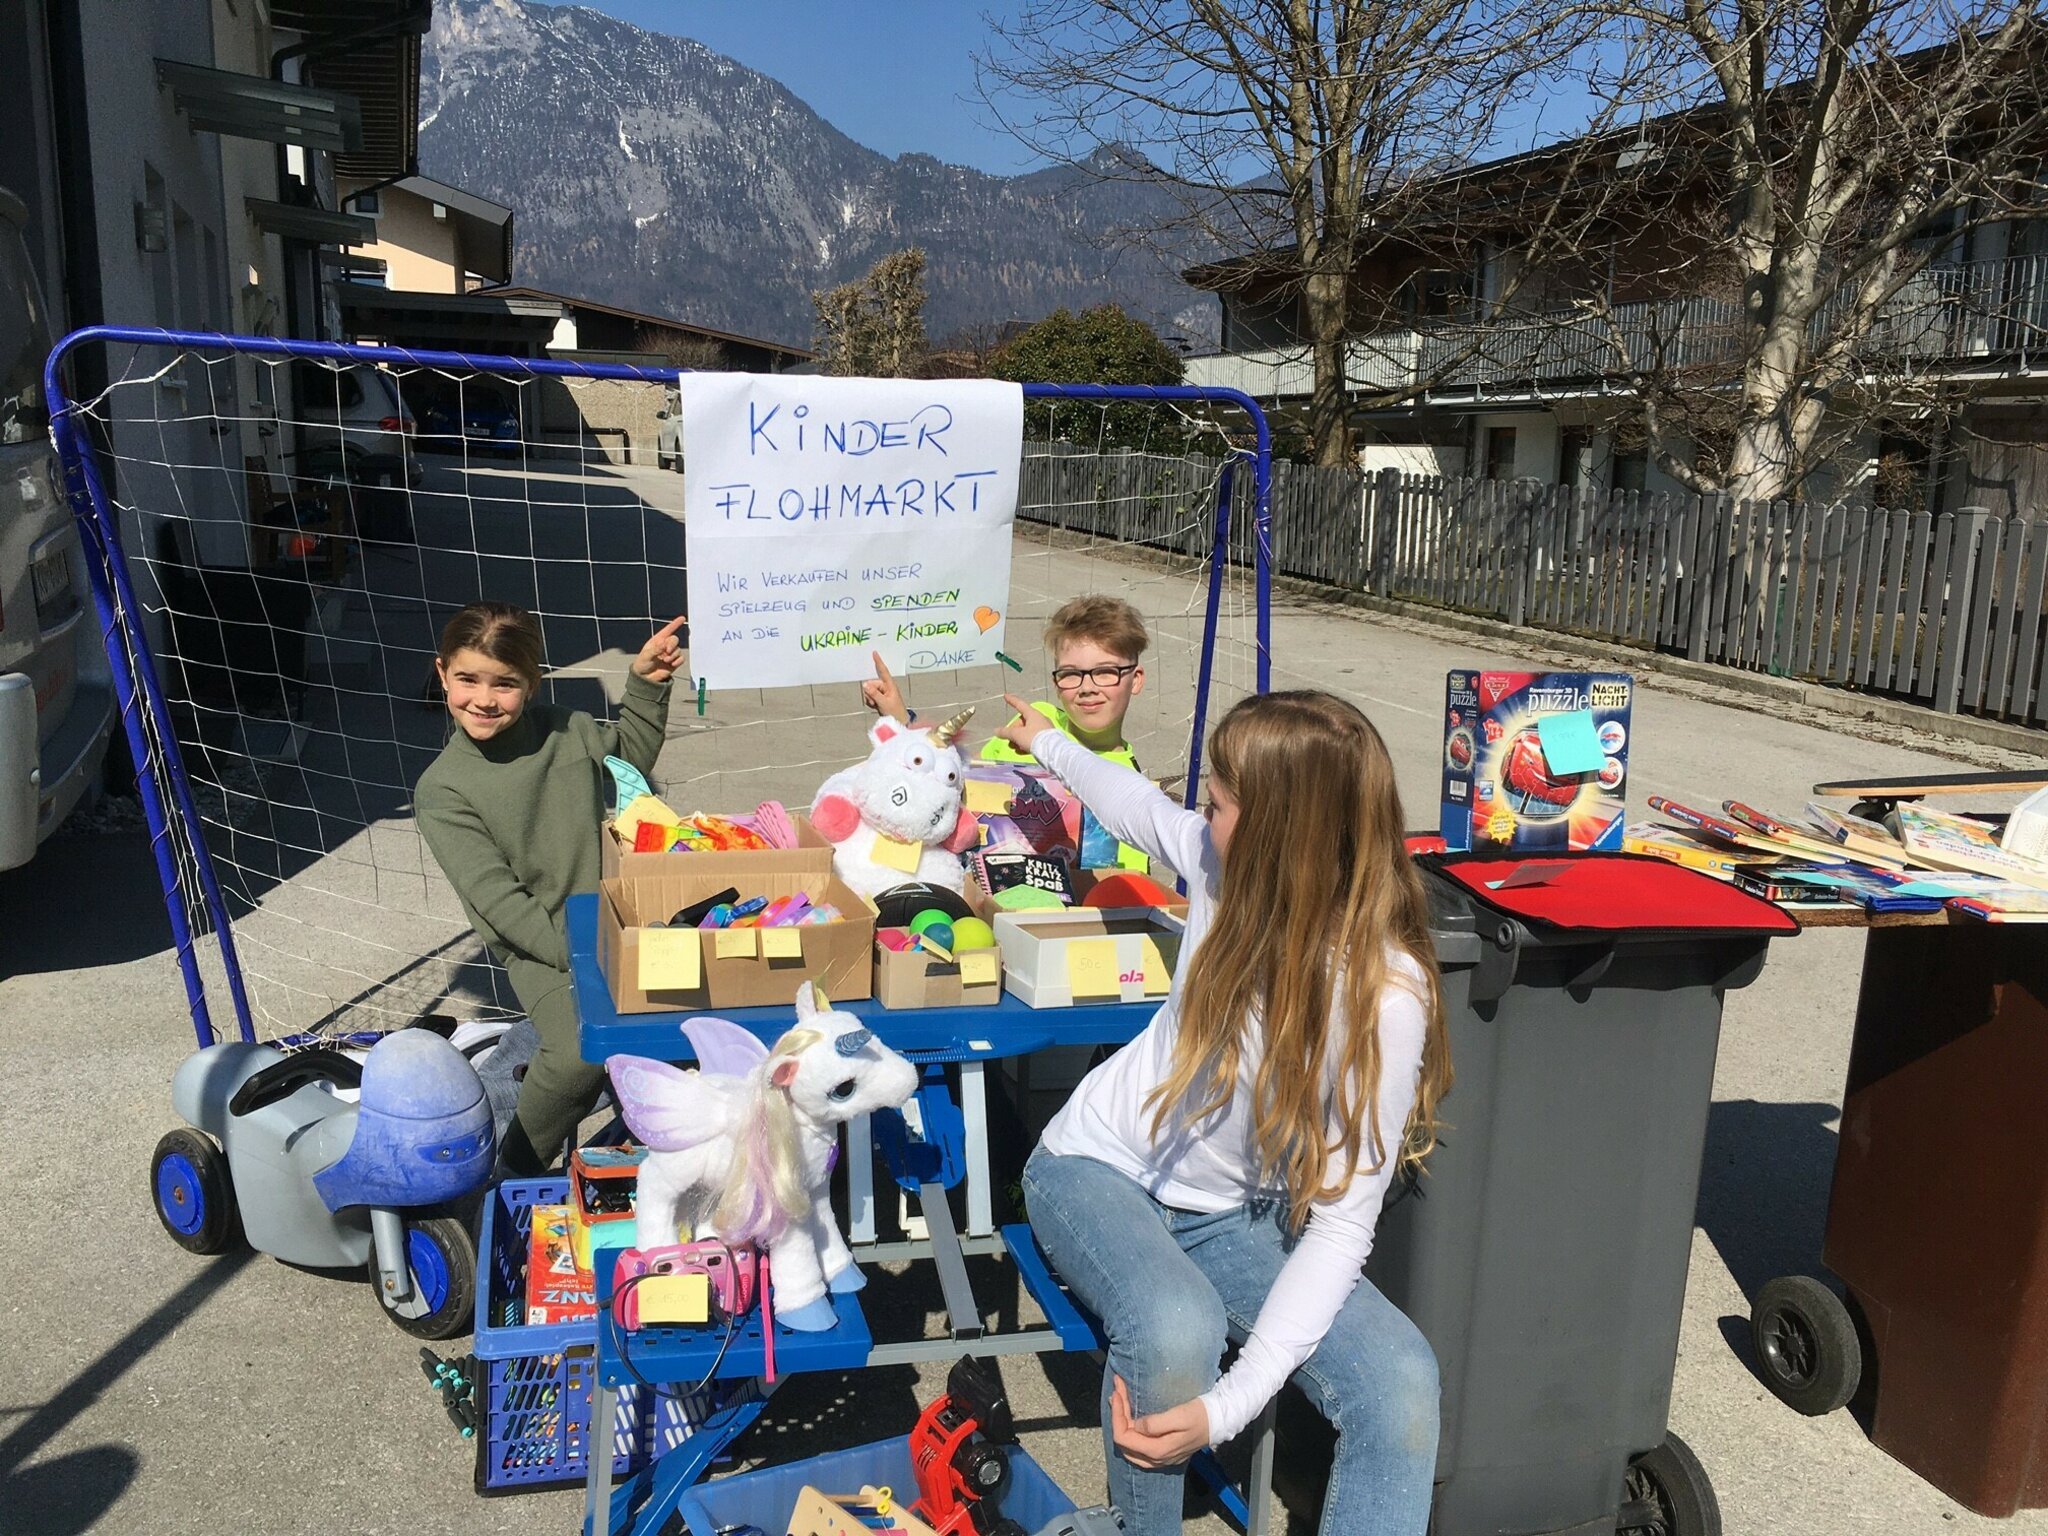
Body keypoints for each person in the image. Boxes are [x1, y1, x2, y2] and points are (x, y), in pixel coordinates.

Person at [1004, 689, 1451, 1536]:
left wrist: (1232, 1406)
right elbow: (1131, 806)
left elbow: (1343, 1223)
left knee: (1400, 1380)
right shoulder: (1218, 865)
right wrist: (1047, 742)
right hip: (1094, 1168)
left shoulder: (1386, 992)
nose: (1199, 814)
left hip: (1235, 1216)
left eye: (1215, 800)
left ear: (1285, 830)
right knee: (1176, 1322)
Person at [416, 601, 686, 1176]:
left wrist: (645, 685)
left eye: (505, 684)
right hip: (543, 950)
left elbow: (630, 758)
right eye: (467, 679)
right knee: (574, 1055)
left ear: (532, 684)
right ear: (442, 674)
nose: (484, 699)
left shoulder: (568, 730)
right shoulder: (443, 789)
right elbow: (500, 902)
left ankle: (664, 1153)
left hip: (617, 921)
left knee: (688, 1023)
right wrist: (584, 953)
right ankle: (513, 1168)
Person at [861, 594, 1151, 872]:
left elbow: (1120, 887)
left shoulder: (1131, 788)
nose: (1087, 687)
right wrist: (900, 718)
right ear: (1056, 681)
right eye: (1071, 674)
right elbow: (968, 782)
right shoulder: (1036, 720)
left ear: (1135, 680)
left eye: (1105, 672)